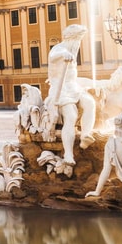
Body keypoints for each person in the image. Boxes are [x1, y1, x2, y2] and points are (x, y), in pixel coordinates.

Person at [43, 24, 96, 165]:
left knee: (90, 103)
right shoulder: (59, 49)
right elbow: (53, 57)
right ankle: (68, 154)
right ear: (72, 38)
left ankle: (85, 135)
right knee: (70, 116)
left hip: (73, 87)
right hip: (60, 90)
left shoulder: (72, 49)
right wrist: (63, 55)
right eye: (79, 38)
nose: (79, 42)